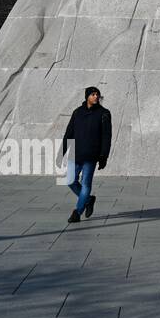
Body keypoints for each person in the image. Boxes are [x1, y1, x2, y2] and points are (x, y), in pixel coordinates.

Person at [61, 86, 112, 224]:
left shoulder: (104, 113)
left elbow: (106, 137)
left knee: (86, 183)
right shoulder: (77, 112)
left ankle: (77, 212)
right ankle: (89, 199)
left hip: (91, 155)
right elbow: (69, 133)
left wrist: (103, 156)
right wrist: (62, 152)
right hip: (75, 153)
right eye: (93, 94)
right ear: (87, 96)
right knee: (70, 181)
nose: (96, 97)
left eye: (97, 95)